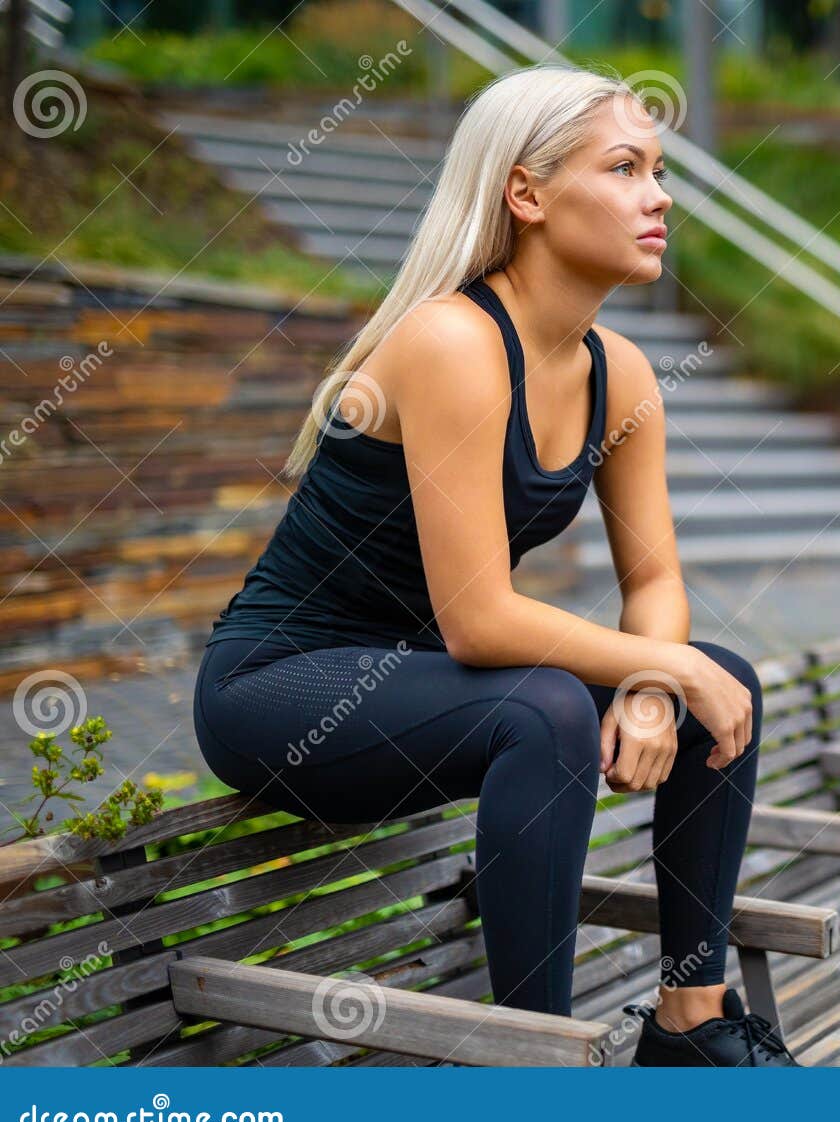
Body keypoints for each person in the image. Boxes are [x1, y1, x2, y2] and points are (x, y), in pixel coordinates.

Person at [190, 63, 798, 1067]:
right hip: (280, 688)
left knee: (719, 676)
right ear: (526, 193)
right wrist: (663, 666)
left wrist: (658, 681)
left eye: (659, 169)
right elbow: (478, 620)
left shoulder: (620, 374)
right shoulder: (451, 342)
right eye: (625, 167)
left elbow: (654, 582)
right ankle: (535, 1065)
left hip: (427, 691)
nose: (660, 195)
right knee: (549, 704)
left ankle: (691, 1020)